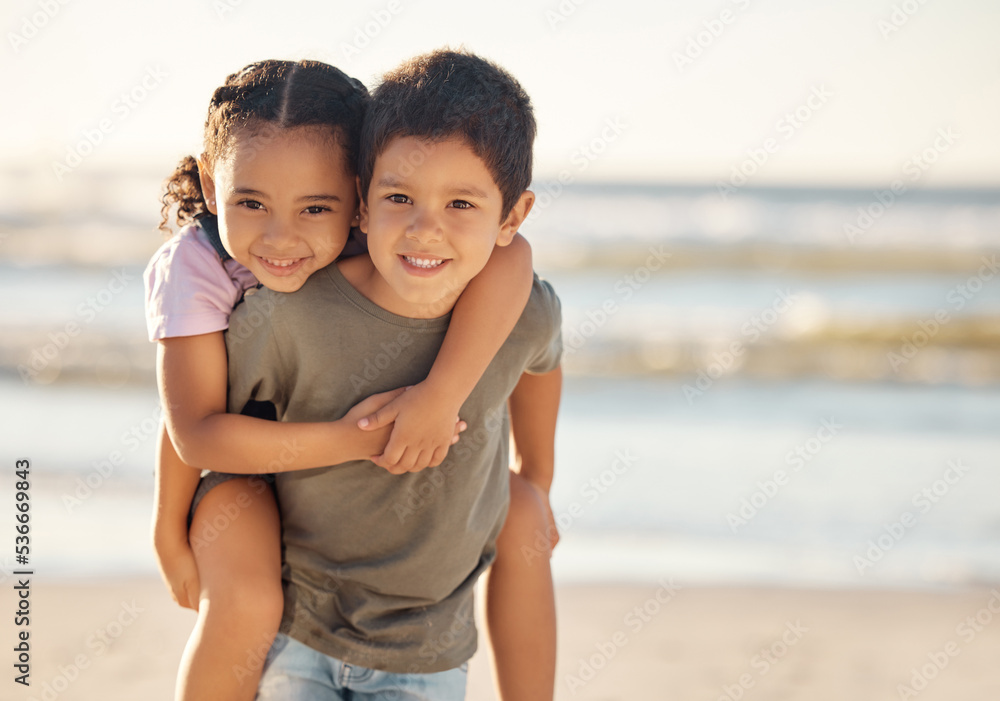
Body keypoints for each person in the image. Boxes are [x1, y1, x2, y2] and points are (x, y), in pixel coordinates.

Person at [144, 58, 538, 701]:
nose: (282, 236)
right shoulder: (196, 264)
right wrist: (167, 530)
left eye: (315, 208)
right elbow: (193, 428)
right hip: (232, 459)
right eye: (250, 202)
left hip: (315, 462)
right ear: (214, 190)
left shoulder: (385, 232)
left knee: (523, 506)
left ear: (357, 199)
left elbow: (512, 255)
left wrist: (439, 397)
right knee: (243, 604)